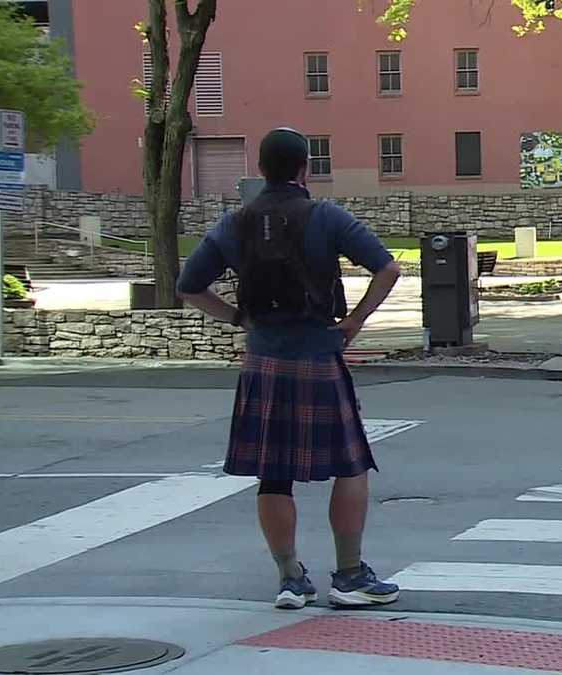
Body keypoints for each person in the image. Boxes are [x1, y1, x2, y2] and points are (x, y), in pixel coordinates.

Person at [177, 128, 403, 610]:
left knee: (273, 475)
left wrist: (239, 317)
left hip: (264, 359)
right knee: (352, 465)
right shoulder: (326, 217)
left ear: (260, 170)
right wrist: (354, 322)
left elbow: (189, 286)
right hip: (319, 353)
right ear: (305, 168)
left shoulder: (234, 223)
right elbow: (388, 268)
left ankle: (289, 578)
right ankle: (348, 575)